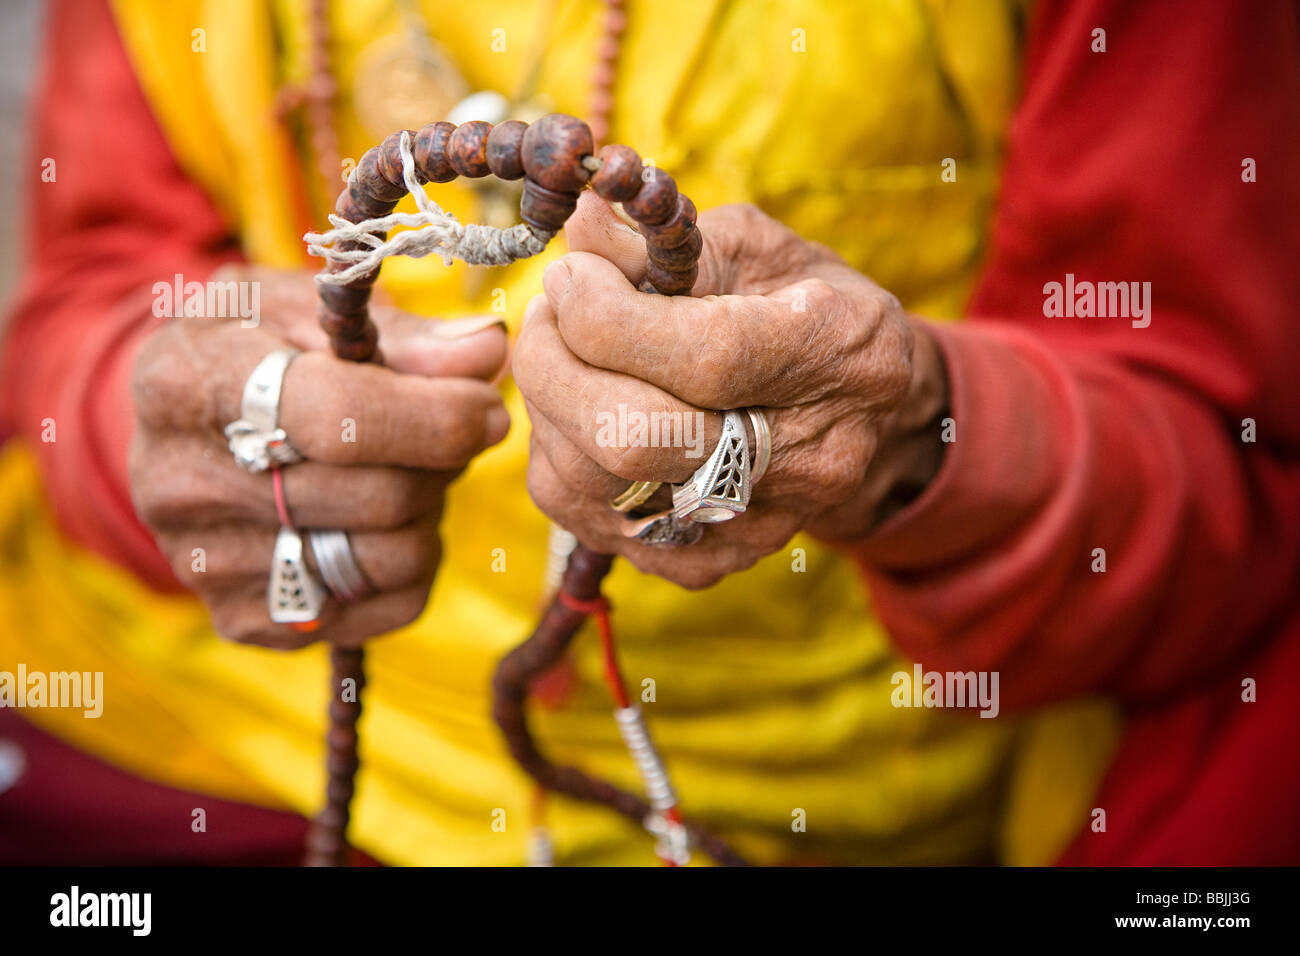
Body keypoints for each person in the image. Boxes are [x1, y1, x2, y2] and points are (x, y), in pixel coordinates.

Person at [1, 0, 1296, 866]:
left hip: (801, 796)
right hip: (209, 736)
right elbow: (89, 305)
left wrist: (915, 432)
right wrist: (148, 409)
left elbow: (1216, 465)